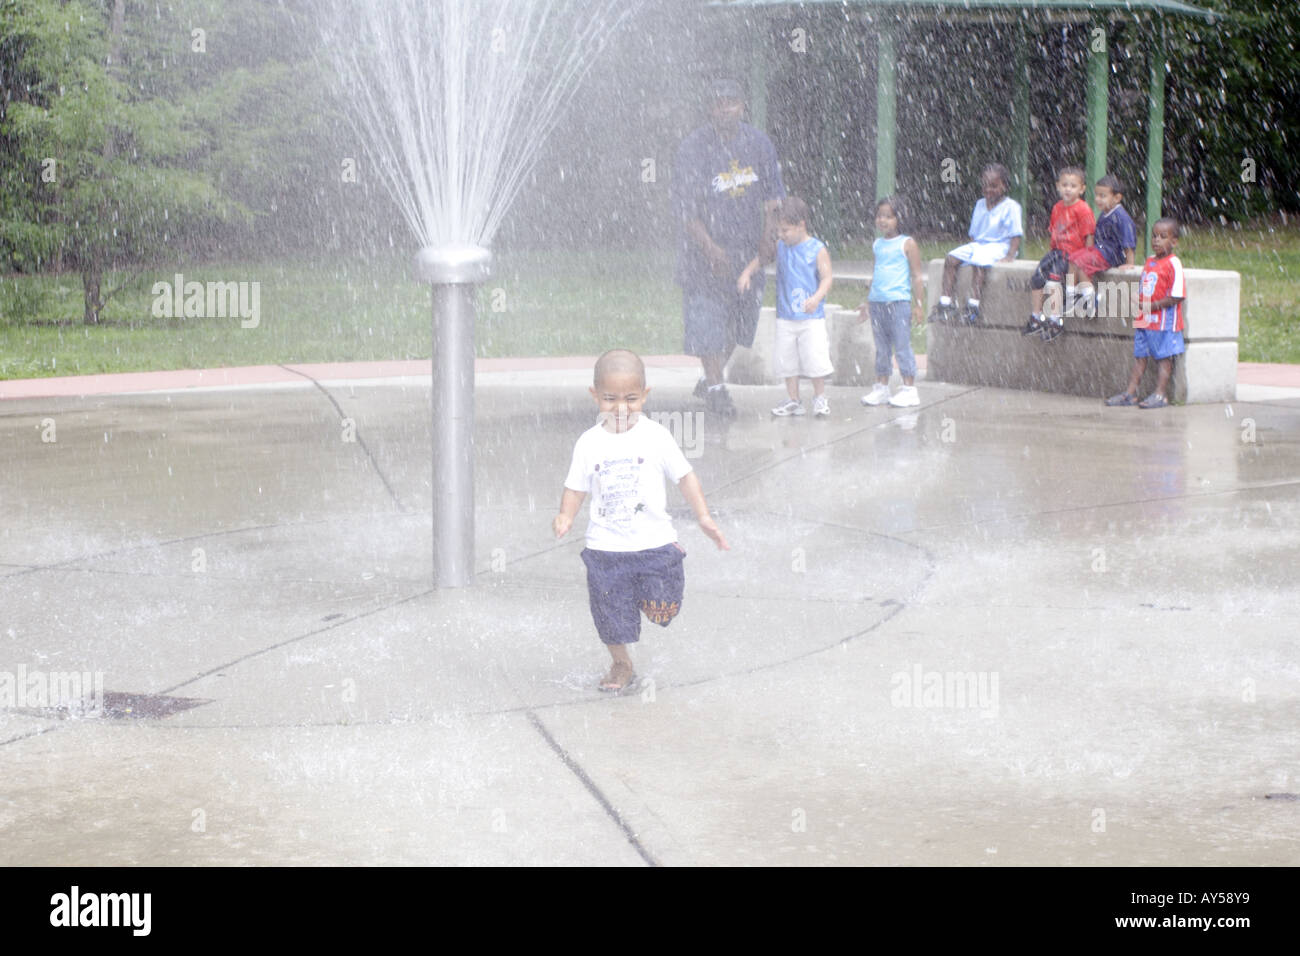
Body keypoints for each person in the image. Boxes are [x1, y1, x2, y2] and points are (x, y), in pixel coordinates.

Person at [553, 349, 730, 692]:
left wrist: (704, 516)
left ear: (645, 395)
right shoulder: (588, 443)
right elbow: (575, 488)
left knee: (663, 609)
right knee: (609, 618)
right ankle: (621, 662)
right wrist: (565, 515)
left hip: (655, 545)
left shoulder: (656, 436)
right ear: (595, 396)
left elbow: (685, 477)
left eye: (631, 399)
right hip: (605, 548)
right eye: (610, 399)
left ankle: (645, 598)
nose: (621, 408)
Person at [673, 78, 786, 417]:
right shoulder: (693, 148)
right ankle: (717, 389)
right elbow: (686, 210)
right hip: (702, 254)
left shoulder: (759, 144)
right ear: (711, 109)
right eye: (719, 102)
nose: (726, 108)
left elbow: (773, 197)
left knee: (740, 324)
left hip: (747, 253)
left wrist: (769, 238)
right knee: (708, 319)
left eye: (732, 102)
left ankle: (711, 377)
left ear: (742, 106)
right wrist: (710, 249)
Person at [737, 197, 834, 417]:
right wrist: (746, 273)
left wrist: (817, 298)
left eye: (786, 230)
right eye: (779, 230)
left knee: (815, 359)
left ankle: (820, 397)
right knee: (786, 360)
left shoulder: (817, 249)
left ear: (801, 225)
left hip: (811, 317)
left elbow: (827, 278)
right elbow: (761, 259)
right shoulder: (781, 247)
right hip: (786, 315)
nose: (781, 235)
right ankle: (793, 399)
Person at [1105, 218, 1186, 409]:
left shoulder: (1173, 263)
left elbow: (1176, 296)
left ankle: (1160, 394)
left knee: (1164, 357)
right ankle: (1130, 393)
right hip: (1144, 318)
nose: (1157, 240)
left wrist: (1151, 306)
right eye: (1154, 236)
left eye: (1163, 237)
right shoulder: (1150, 262)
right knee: (1140, 356)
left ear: (1174, 242)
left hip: (1163, 321)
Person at [932, 164, 1022, 325]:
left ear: (1005, 186)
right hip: (979, 245)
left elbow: (1015, 235)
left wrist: (1010, 255)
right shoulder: (980, 204)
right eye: (985, 186)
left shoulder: (1011, 207)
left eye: (994, 186)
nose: (988, 190)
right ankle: (945, 303)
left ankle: (973, 306)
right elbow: (974, 234)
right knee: (951, 258)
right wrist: (971, 251)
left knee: (979, 262)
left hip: (1000, 246)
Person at [858, 196, 925, 408]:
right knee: (882, 348)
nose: (883, 220)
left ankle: (909, 388)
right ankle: (882, 387)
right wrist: (868, 302)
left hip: (898, 303)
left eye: (888, 216)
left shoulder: (907, 243)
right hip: (878, 303)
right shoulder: (877, 244)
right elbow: (876, 272)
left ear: (899, 219)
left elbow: (916, 276)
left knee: (902, 345)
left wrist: (919, 304)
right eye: (879, 216)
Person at [1024, 165, 1096, 340]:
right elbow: (1054, 232)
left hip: (1072, 254)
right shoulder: (1057, 208)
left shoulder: (1083, 209)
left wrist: (1085, 260)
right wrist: (1050, 252)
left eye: (1073, 186)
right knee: (1037, 279)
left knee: (1054, 279)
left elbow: (1089, 235)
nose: (1068, 189)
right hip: (1056, 252)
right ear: (1057, 186)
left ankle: (1056, 320)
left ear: (1082, 189)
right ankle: (1036, 317)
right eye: (1064, 185)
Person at [1065, 174, 1139, 318]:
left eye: (1103, 196)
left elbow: (1128, 240)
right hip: (1100, 250)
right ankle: (1070, 294)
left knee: (1082, 263)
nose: (1098, 199)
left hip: (1111, 254)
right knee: (1073, 258)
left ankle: (1091, 299)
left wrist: (1130, 263)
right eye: (1097, 195)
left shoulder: (1121, 217)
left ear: (1117, 198)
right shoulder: (1105, 213)